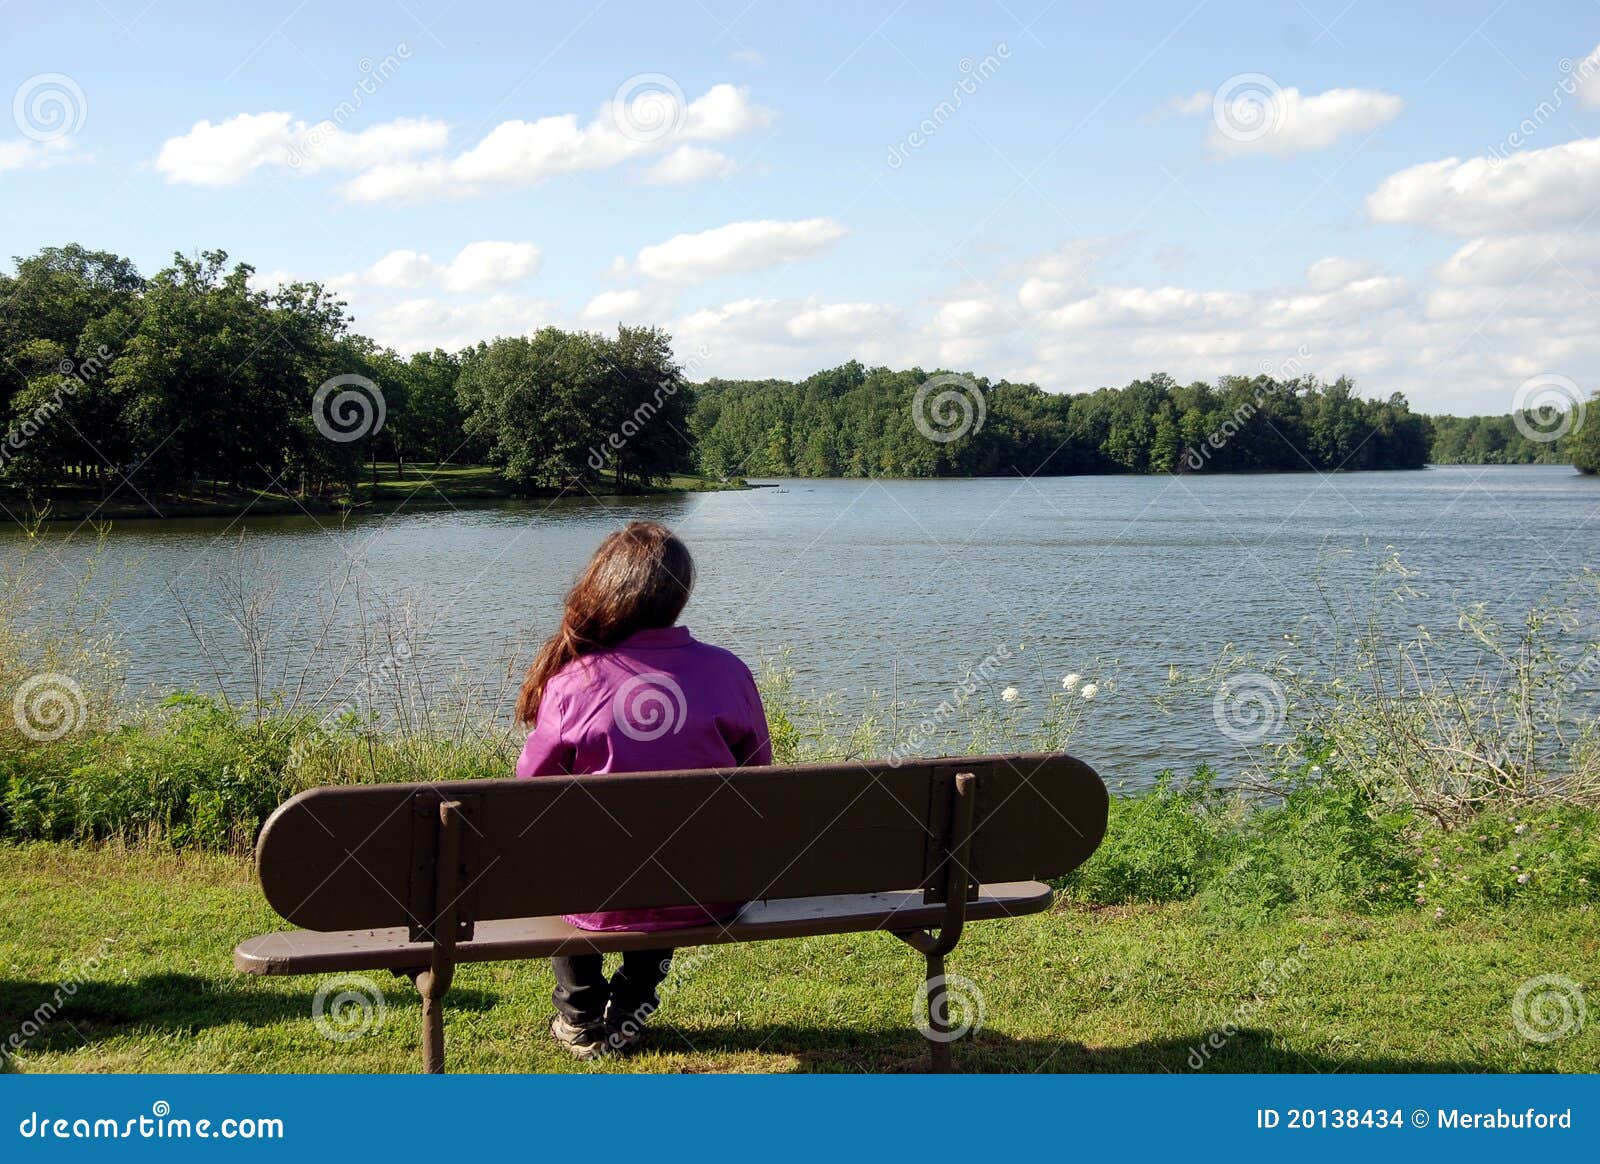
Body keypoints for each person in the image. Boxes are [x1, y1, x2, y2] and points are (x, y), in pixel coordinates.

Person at [515, 521, 772, 1059]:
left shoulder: (573, 683)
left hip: (598, 893)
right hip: (704, 889)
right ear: (679, 595)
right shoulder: (728, 673)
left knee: (566, 849)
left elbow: (528, 795)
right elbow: (760, 778)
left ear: (606, 586)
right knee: (680, 849)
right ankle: (633, 1004)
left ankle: (580, 1012)